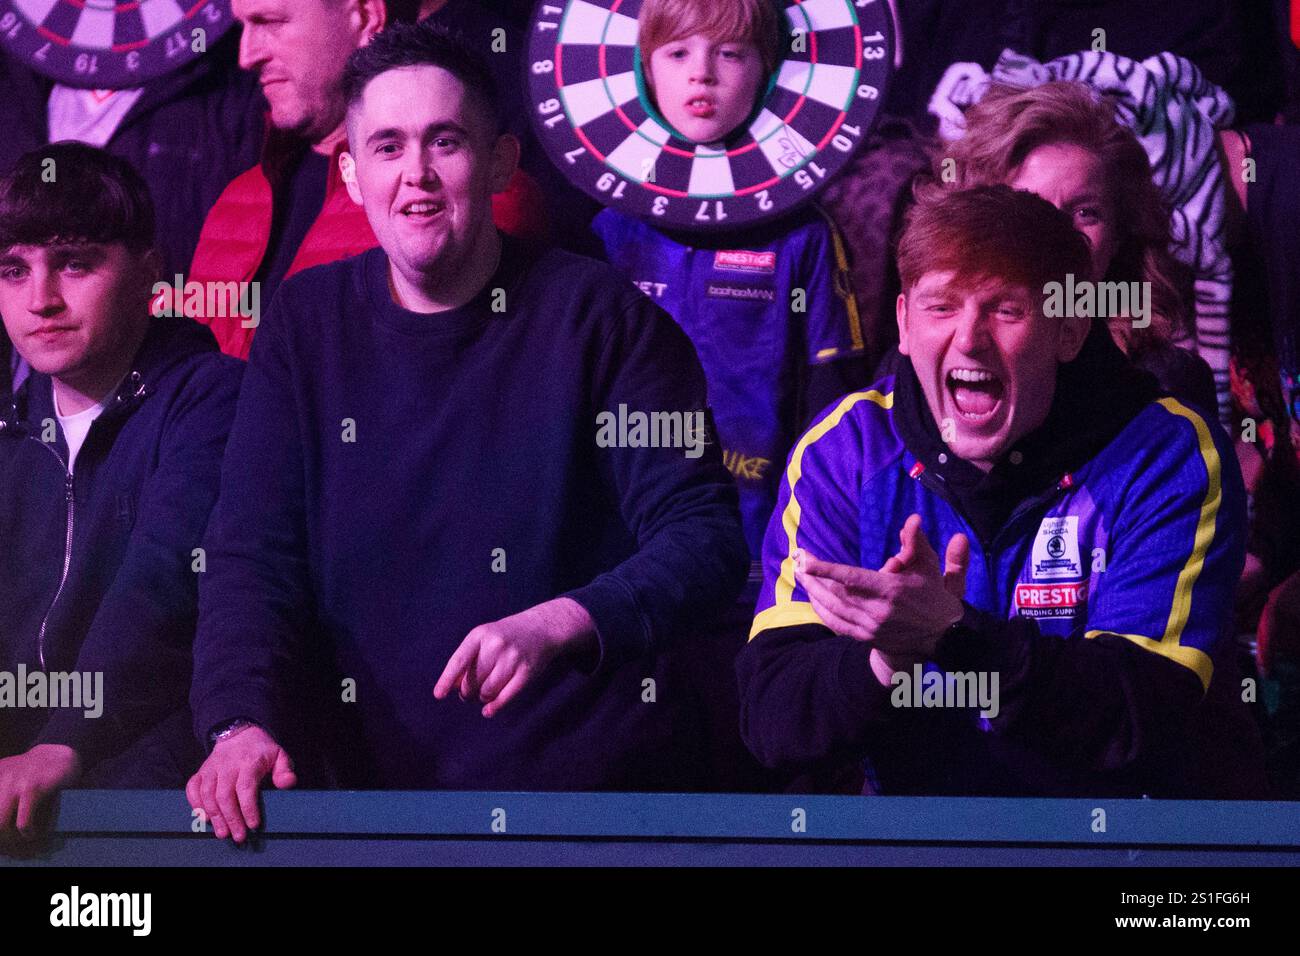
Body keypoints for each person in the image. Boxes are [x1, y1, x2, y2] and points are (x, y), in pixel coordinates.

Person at [186, 21, 748, 843]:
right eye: (386, 147)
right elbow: (250, 558)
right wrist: (237, 722)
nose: (415, 175)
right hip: (356, 806)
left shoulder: (601, 320)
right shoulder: (303, 328)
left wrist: (560, 622)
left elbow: (703, 538)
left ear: (498, 163)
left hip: (579, 811)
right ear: (350, 174)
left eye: (444, 142)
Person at [737, 184, 1269, 798]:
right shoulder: (844, 451)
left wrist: (955, 635)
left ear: (1070, 330)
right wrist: (888, 658)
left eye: (1006, 310)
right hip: (914, 849)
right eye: (942, 307)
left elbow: (1140, 716)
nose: (968, 337)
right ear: (905, 324)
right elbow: (771, 718)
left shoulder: (1166, 451)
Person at [0, 144, 242, 836]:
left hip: (165, 772)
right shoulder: (10, 434)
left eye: (74, 263)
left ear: (147, 273)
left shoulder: (212, 398)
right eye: (13, 270)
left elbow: (162, 588)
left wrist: (63, 741)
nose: (41, 299)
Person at [593, 0, 868, 582]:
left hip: (758, 554)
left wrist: (809, 551)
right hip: (623, 551)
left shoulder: (805, 236)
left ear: (767, 69)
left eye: (730, 53)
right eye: (677, 52)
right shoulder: (608, 230)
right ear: (644, 68)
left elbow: (834, 407)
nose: (702, 73)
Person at [185, 0, 547, 359]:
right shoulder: (236, 202)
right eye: (243, 27)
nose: (246, 56)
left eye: (271, 22)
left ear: (365, 18)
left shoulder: (470, 198)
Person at [923, 80, 1218, 419]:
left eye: (1086, 213)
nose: (1059, 232)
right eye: (1030, 204)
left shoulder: (1166, 383)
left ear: (1119, 238)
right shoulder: (926, 361)